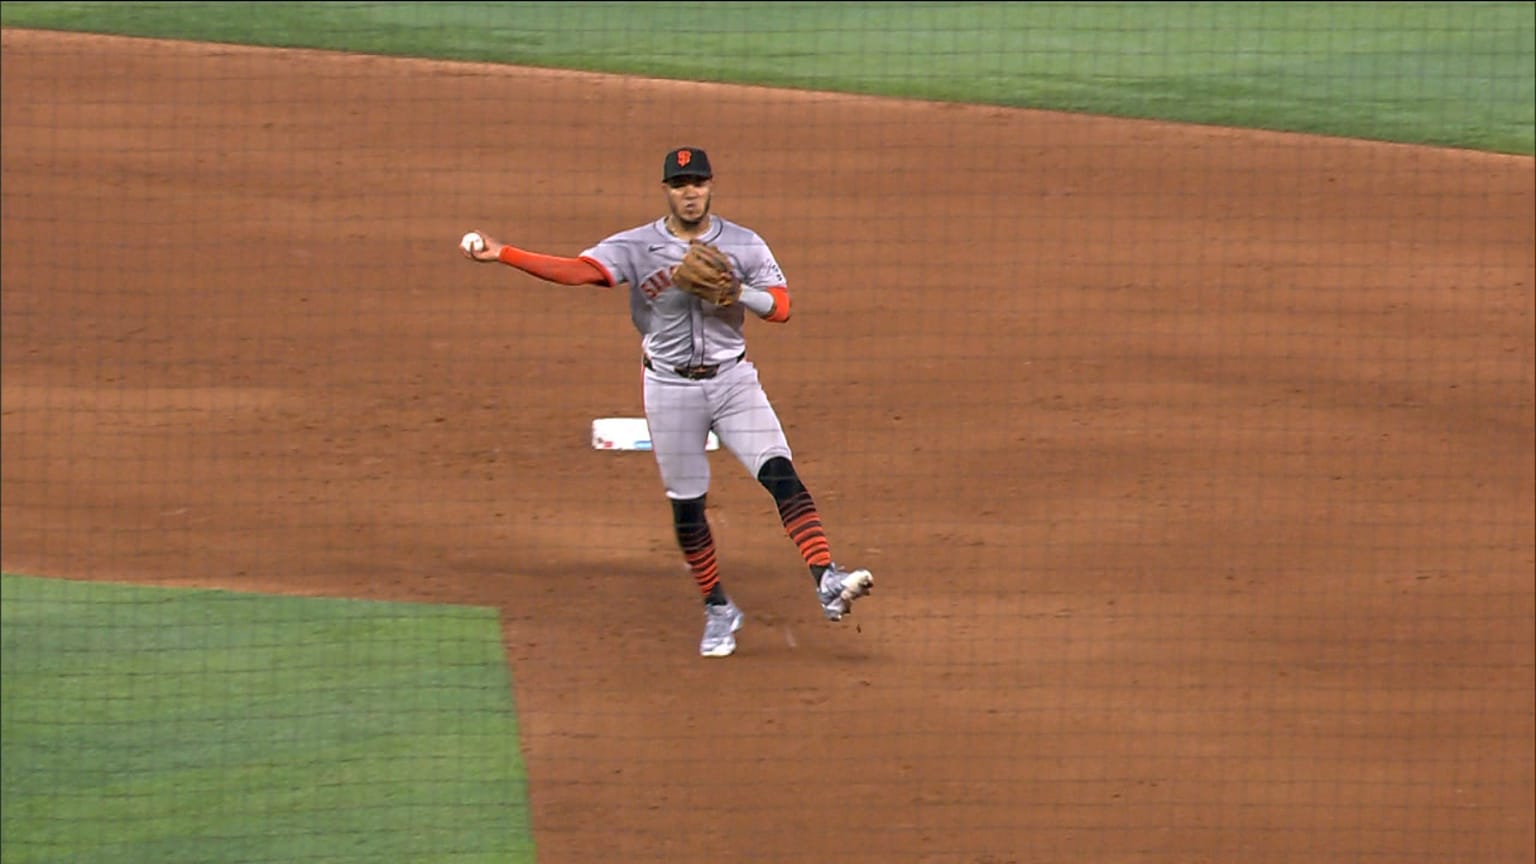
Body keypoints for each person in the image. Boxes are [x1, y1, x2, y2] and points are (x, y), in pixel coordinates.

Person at [459, 146, 874, 658]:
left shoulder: (744, 243)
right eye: (680, 185)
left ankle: (826, 577)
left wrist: (738, 292)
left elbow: (781, 308)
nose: (690, 192)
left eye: (697, 182)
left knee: (780, 473)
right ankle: (718, 608)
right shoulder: (636, 246)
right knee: (688, 507)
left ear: (711, 185)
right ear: (666, 191)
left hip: (733, 382)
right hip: (670, 390)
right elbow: (579, 271)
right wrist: (504, 252)